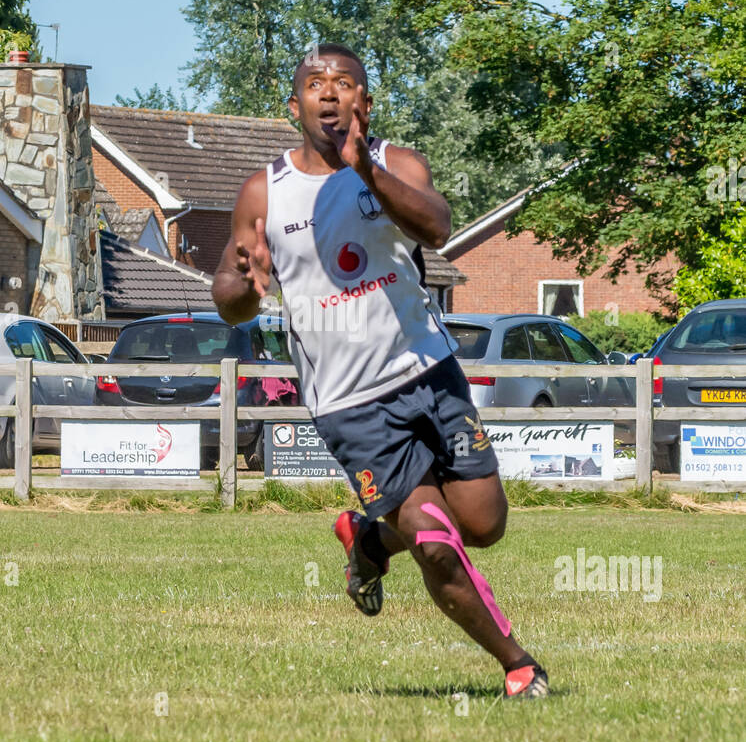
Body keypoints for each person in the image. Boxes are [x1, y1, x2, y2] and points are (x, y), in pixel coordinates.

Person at [212, 44, 548, 698]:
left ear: (365, 102)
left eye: (344, 83)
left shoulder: (396, 163)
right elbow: (229, 293)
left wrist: (365, 169)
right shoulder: (265, 191)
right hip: (350, 405)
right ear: (295, 105)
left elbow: (438, 227)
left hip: (430, 373)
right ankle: (517, 664)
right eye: (316, 83)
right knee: (436, 540)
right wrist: (250, 286)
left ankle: (368, 543)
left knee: (484, 525)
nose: (330, 93)